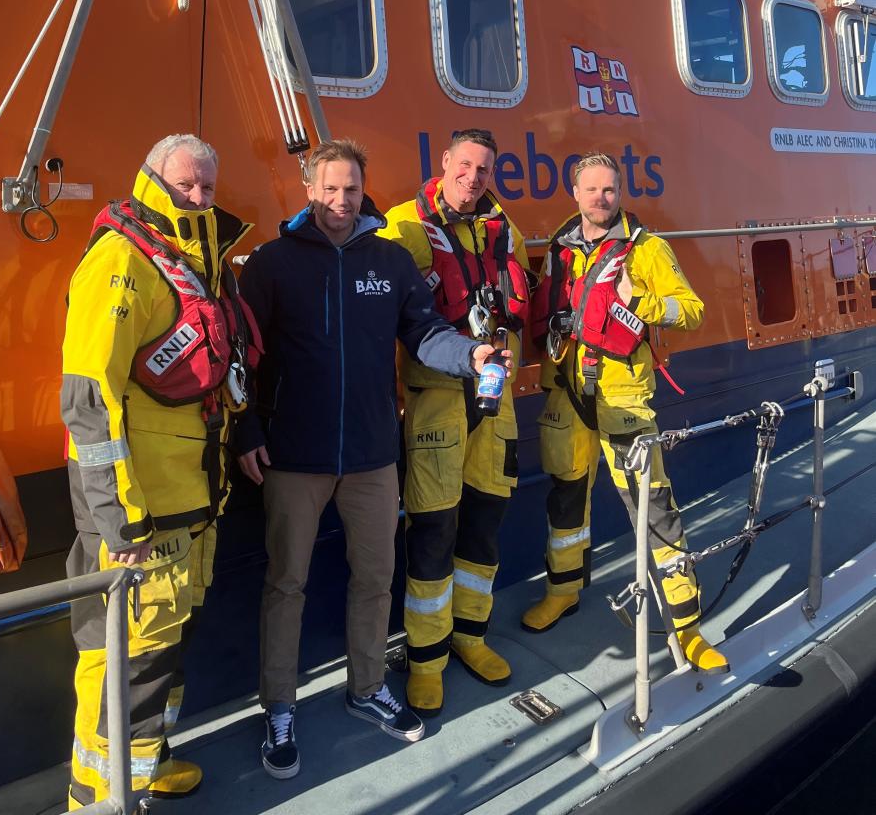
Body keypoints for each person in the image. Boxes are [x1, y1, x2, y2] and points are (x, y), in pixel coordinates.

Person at [236, 138, 506, 779]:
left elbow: (423, 331)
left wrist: (469, 355)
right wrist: (246, 429)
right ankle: (278, 709)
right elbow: (240, 358)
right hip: (293, 457)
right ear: (309, 189)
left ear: (364, 190)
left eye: (350, 188)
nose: (340, 200)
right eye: (329, 188)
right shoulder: (272, 264)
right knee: (285, 585)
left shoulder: (389, 260)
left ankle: (366, 688)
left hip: (371, 456)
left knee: (375, 580)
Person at [61, 134, 258, 810]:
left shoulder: (199, 259)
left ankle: (147, 766)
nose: (198, 198)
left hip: (193, 498)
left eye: (206, 186)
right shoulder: (120, 261)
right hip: (141, 511)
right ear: (150, 180)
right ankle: (98, 801)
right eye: (184, 186)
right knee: (129, 662)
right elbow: (89, 400)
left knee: (165, 649)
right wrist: (120, 517)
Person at [521, 152, 728, 672]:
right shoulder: (561, 250)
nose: (601, 199)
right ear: (576, 195)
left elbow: (693, 308)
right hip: (567, 394)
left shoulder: (648, 250)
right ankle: (563, 591)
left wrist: (646, 305)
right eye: (591, 190)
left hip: (623, 401)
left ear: (620, 192)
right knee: (566, 500)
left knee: (654, 510)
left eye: (609, 190)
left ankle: (688, 628)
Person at [380, 129, 532, 718]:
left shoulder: (502, 228)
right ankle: (427, 661)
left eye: (485, 169)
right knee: (434, 532)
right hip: (436, 400)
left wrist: (508, 334)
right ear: (444, 163)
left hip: (496, 396)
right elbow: (394, 318)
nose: (474, 178)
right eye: (464, 165)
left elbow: (518, 296)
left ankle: (471, 636)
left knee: (485, 525)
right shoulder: (402, 227)